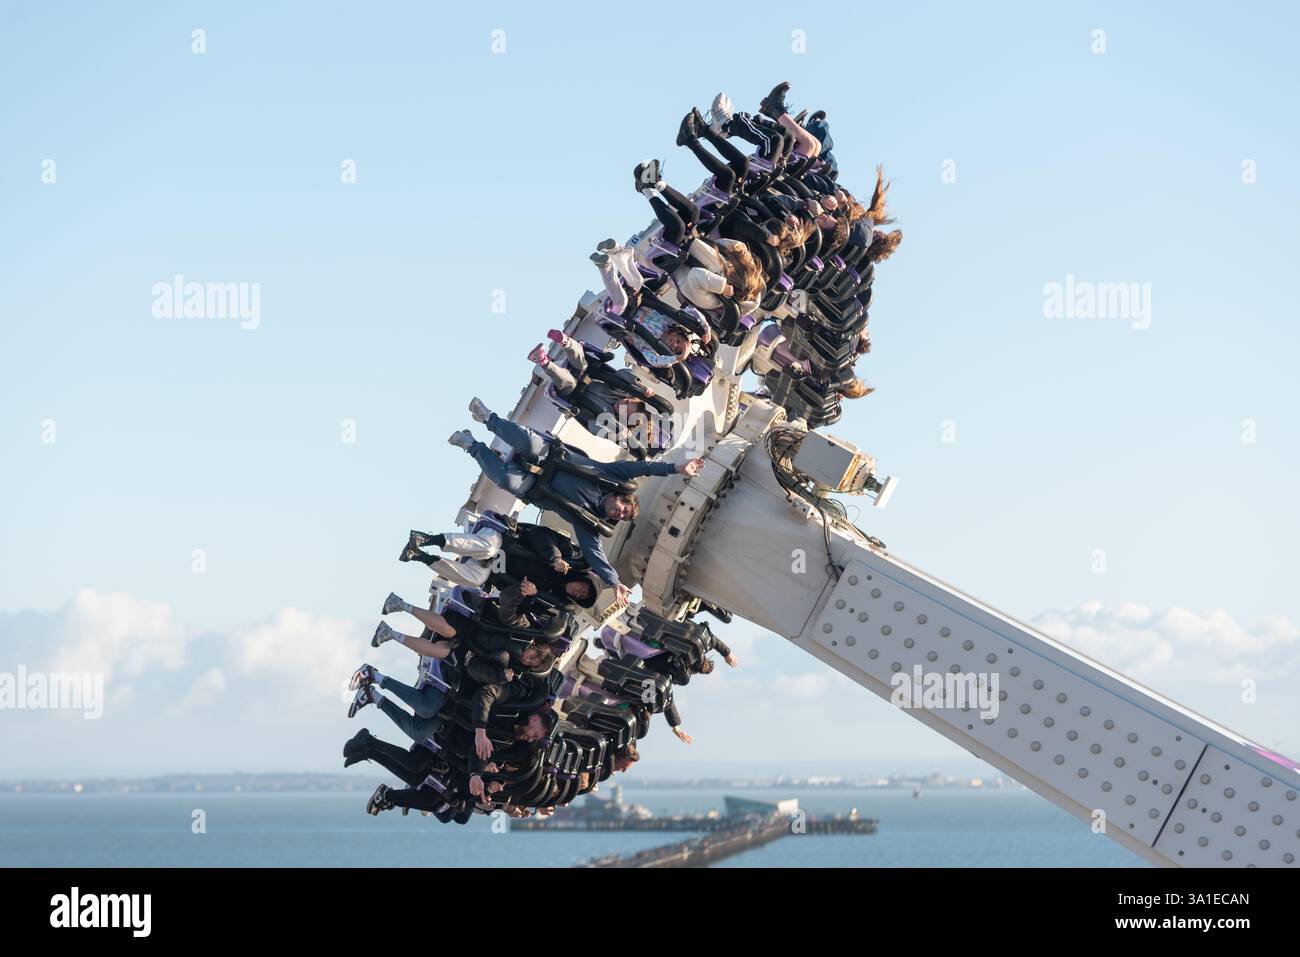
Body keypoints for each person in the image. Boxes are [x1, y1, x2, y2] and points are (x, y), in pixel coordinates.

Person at [449, 397, 704, 603]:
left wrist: (614, 582)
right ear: (620, 496)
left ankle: (471, 444)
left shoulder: (588, 522)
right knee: (527, 440)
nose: (619, 513)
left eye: (623, 517)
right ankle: (487, 418)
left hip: (536, 487)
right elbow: (644, 468)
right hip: (551, 457)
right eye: (624, 508)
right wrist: (677, 468)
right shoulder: (611, 475)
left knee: (507, 481)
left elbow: (595, 554)